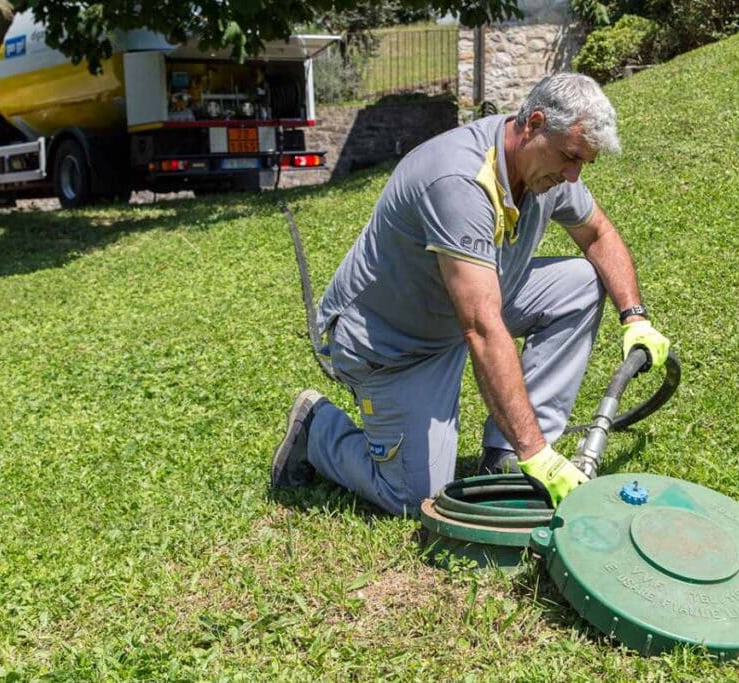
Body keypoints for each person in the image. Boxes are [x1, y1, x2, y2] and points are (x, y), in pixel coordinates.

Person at [269, 73, 671, 515]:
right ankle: (317, 428)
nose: (573, 175)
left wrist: (635, 317)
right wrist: (539, 452)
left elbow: (597, 234)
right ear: (534, 124)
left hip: (463, 307)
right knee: (413, 494)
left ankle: (511, 457)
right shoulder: (459, 181)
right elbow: (481, 326)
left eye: (584, 165)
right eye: (570, 158)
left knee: (580, 282)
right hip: (394, 343)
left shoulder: (547, 170)